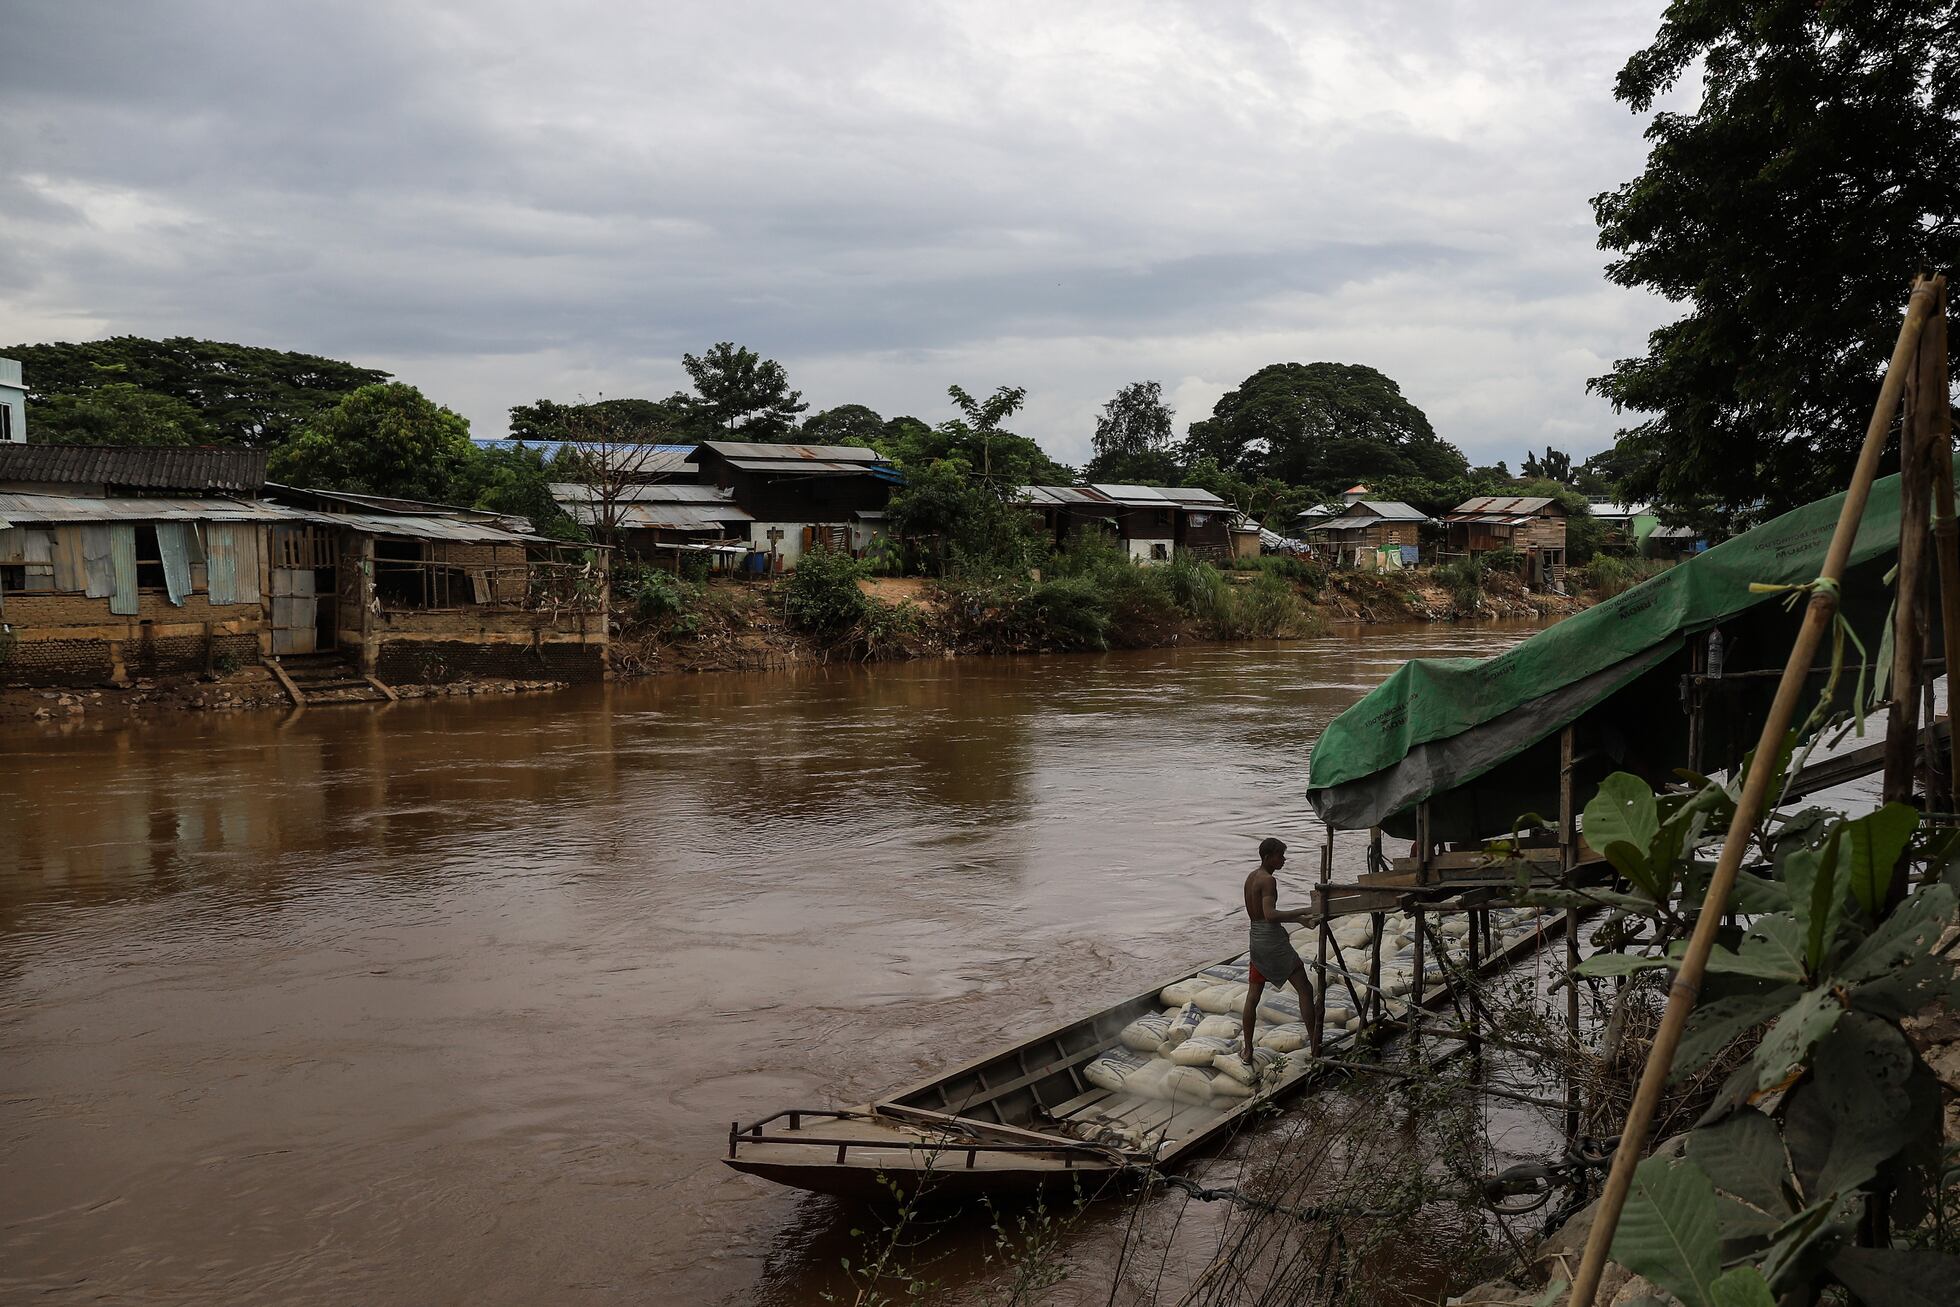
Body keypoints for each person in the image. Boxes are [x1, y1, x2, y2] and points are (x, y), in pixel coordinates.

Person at [1240, 836, 1317, 1064]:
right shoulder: (1268, 881)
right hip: (1272, 942)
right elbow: (1270, 915)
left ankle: (1247, 1050)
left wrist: (1299, 919)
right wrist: (1302, 913)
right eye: (1280, 856)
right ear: (1267, 857)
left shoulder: (1250, 877)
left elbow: (1258, 916)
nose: (1283, 859)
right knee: (1305, 988)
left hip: (1256, 940)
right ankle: (1315, 1046)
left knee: (1253, 996)